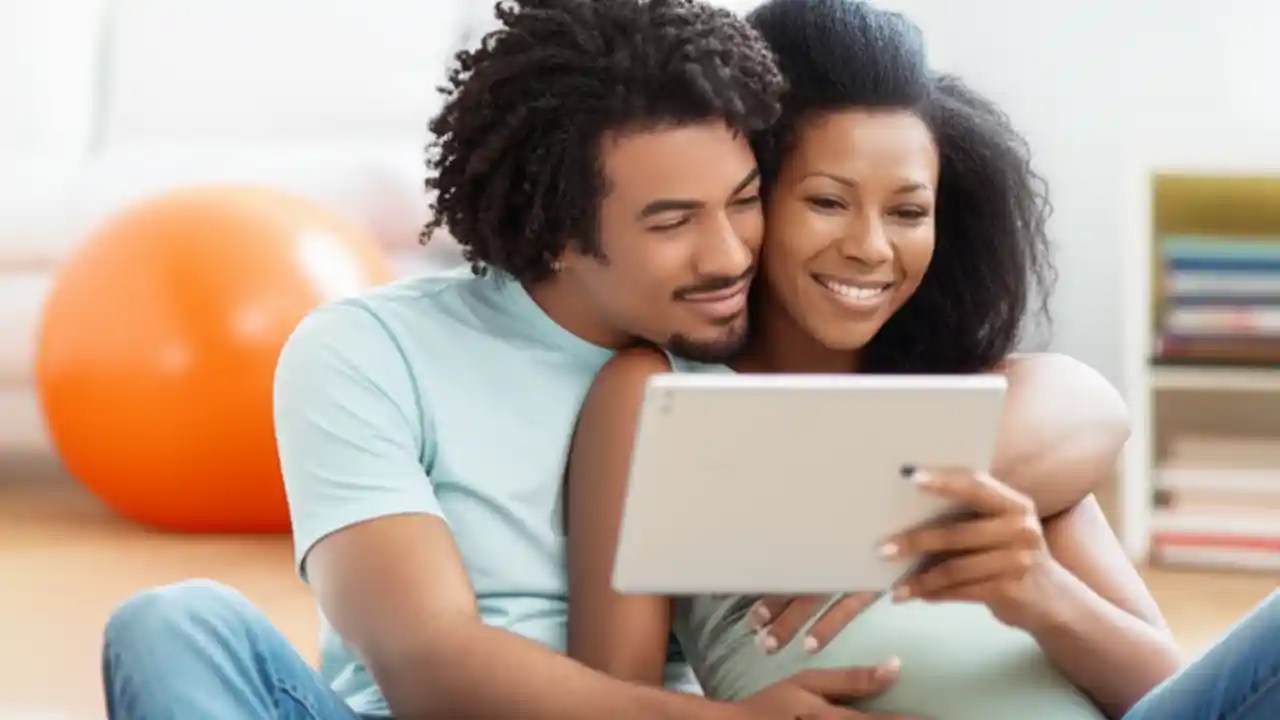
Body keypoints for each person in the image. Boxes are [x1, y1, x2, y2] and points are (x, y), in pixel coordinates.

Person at [100, 1, 1136, 719]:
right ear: (556, 232)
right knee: (173, 623)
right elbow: (428, 668)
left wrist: (896, 502)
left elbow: (1074, 406)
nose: (729, 254)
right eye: (674, 221)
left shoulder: (738, 378)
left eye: (740, 205)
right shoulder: (375, 352)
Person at [563, 1, 1194, 719]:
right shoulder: (661, 397)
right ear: (752, 199)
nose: (871, 247)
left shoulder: (982, 419)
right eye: (828, 202)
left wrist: (1043, 594)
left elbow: (1182, 698)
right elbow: (608, 698)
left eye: (907, 211)